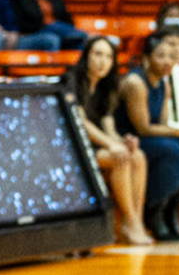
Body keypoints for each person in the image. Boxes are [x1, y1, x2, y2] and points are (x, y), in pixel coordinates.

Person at [115, 27, 179, 240]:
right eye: (160, 56)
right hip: (131, 139)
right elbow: (143, 128)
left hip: (151, 137)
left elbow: (163, 125)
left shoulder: (164, 83)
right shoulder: (136, 83)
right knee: (171, 148)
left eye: (171, 57)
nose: (167, 62)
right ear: (146, 58)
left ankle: (172, 208)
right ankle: (155, 211)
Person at [62, 36, 154, 245]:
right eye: (97, 54)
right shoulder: (72, 79)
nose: (102, 61)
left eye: (108, 56)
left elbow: (108, 126)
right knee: (120, 158)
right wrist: (112, 145)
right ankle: (129, 222)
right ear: (86, 56)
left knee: (137, 155)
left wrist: (123, 141)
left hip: (97, 145)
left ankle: (136, 222)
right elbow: (81, 122)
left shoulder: (108, 86)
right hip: (73, 147)